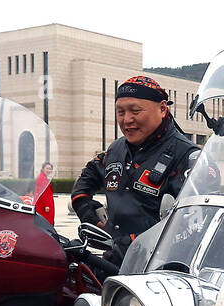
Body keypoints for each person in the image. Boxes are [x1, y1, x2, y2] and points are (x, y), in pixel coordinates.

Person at [71, 75, 200, 259]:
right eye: (120, 112)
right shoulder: (116, 149)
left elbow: (195, 225)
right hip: (114, 261)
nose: (127, 120)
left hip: (160, 269)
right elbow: (87, 178)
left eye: (135, 111)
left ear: (163, 109)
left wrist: (134, 243)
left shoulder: (188, 157)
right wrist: (85, 209)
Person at [34, 161, 55, 226]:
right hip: (43, 205)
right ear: (43, 169)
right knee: (46, 221)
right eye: (47, 168)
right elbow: (43, 193)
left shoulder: (43, 177)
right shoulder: (42, 178)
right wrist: (46, 205)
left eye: (50, 169)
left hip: (44, 203)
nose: (49, 170)